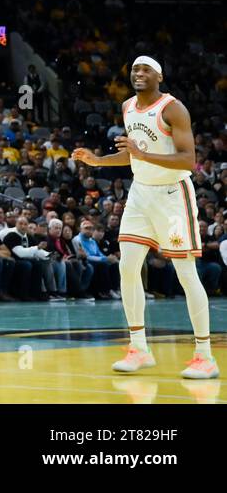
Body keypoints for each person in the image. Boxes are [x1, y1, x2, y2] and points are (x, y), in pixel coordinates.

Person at [72, 55, 218, 379]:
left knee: (185, 273)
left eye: (145, 69)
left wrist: (140, 154)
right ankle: (138, 348)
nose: (138, 73)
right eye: (135, 69)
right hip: (140, 194)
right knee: (127, 266)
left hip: (172, 196)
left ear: (159, 77)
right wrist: (97, 161)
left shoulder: (173, 108)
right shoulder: (127, 107)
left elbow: (187, 160)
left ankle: (204, 355)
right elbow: (132, 153)